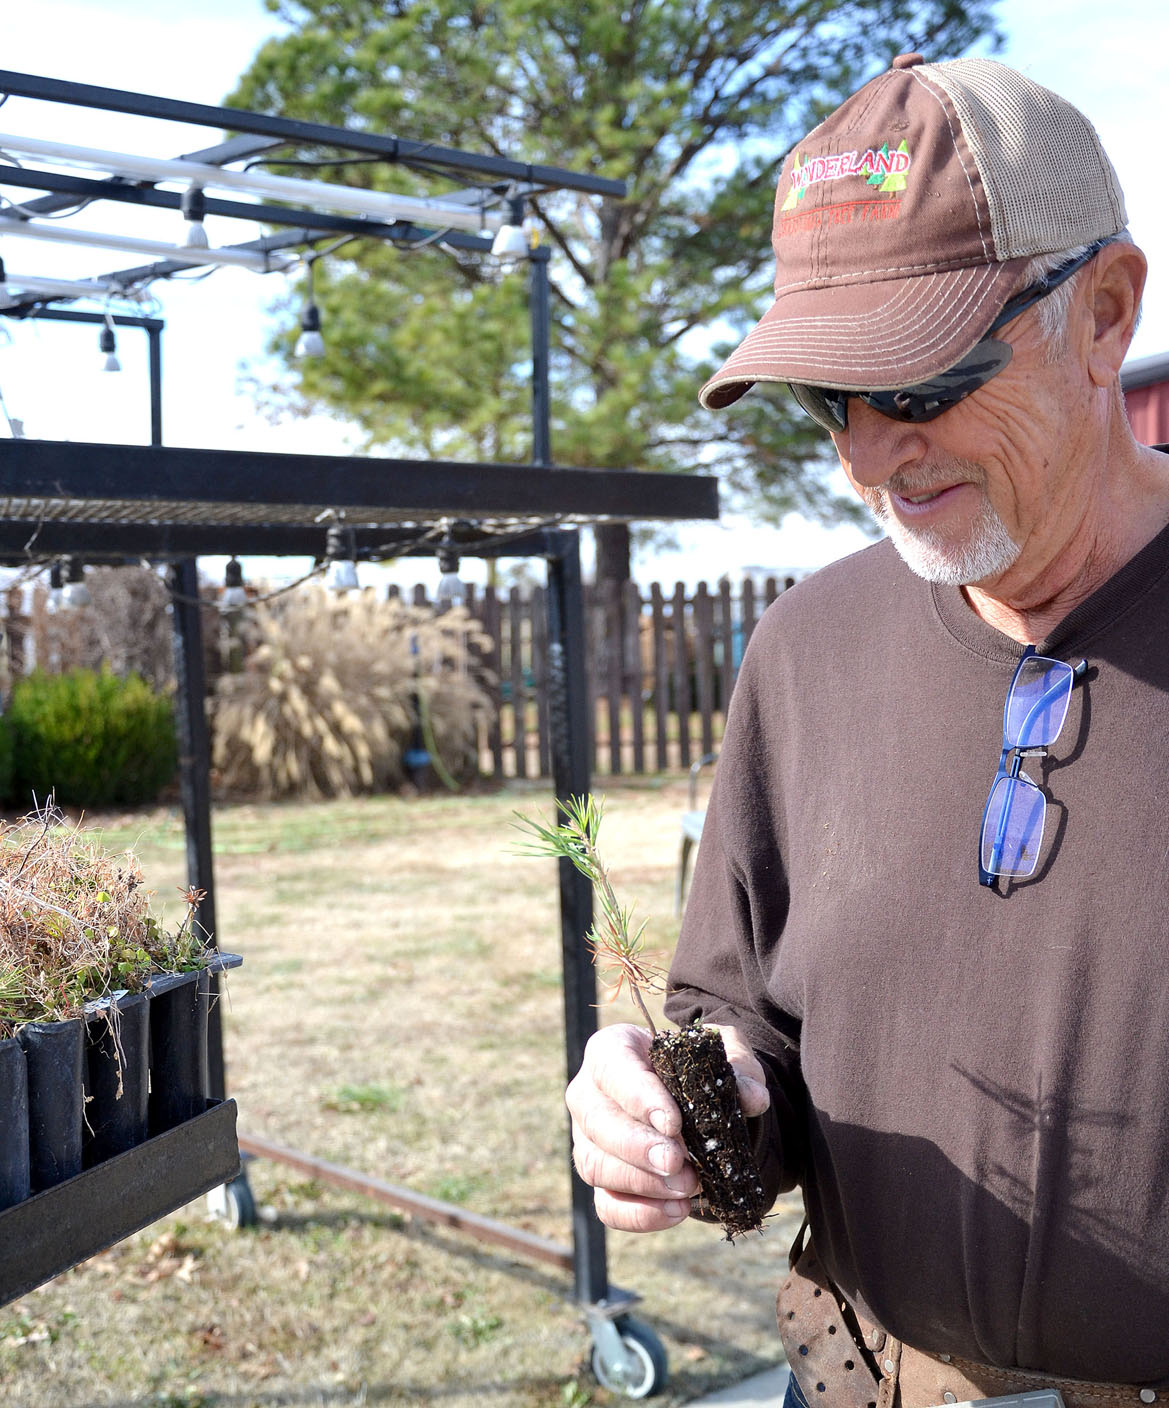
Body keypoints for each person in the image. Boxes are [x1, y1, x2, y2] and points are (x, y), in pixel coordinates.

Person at [566, 52, 1169, 1408]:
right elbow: (743, 1012)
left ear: (1104, 312)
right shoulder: (807, 648)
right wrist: (679, 1099)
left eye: (920, 384)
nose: (868, 457)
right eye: (830, 401)